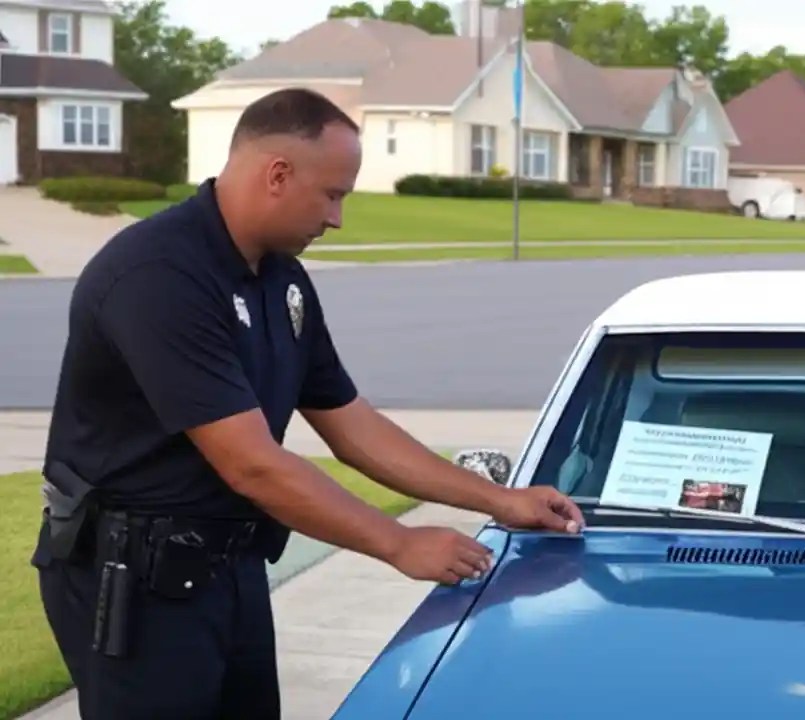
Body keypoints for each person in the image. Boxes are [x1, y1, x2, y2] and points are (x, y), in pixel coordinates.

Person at [30, 87, 585, 720]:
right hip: (133, 578)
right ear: (277, 174)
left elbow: (351, 425)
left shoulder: (280, 277)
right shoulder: (160, 275)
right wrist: (397, 543)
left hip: (225, 566)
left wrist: (500, 500)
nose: (338, 218)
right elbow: (252, 464)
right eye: (333, 194)